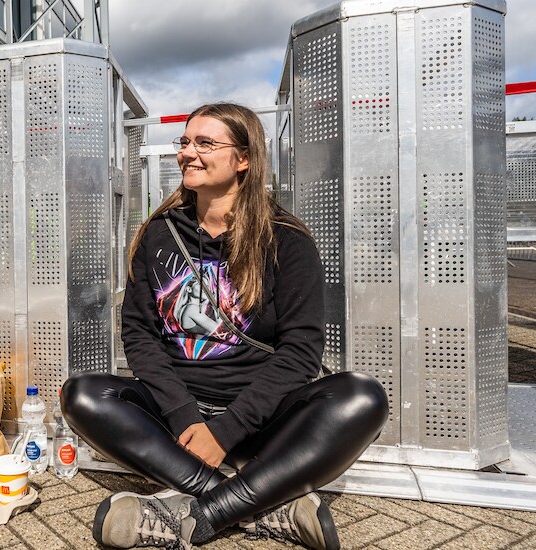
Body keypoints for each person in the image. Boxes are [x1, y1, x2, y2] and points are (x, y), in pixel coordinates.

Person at [62, 103, 389, 550]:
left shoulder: (287, 240)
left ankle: (205, 512)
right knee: (81, 394)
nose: (188, 153)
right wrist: (184, 415)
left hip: (260, 418)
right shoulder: (157, 234)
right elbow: (138, 334)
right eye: (185, 142)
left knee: (363, 397)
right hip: (177, 420)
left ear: (243, 159)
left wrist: (228, 430)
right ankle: (261, 503)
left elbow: (302, 352)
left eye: (205, 143)